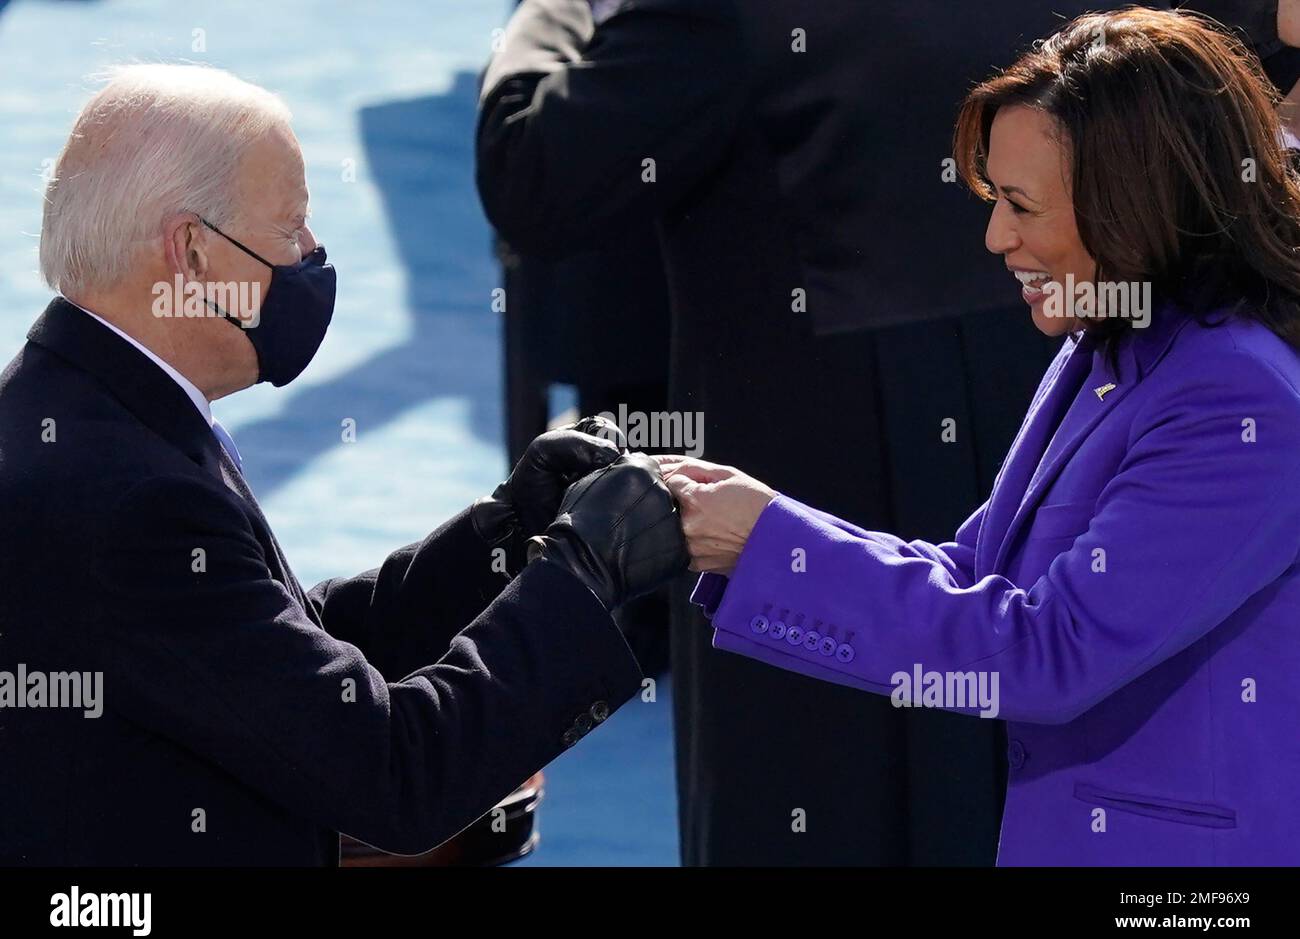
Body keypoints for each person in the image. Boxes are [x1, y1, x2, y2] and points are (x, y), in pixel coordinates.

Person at [476, 0, 1121, 865]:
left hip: (803, 473)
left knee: (810, 796)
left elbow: (538, 175)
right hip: (1063, 422)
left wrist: (553, 14)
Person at [0, 64, 685, 866]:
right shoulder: (131, 501)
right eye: (291, 227)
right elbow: (395, 775)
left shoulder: (77, 406)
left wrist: (502, 536)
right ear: (190, 254)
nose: (313, 255)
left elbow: (274, 647)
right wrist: (581, 575)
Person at [659, 8, 1300, 865]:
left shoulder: (1236, 397)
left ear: (1132, 202)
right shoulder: (1112, 337)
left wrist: (769, 545)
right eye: (994, 199)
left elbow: (1050, 651)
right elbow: (981, 575)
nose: (996, 237)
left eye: (1022, 206)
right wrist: (763, 532)